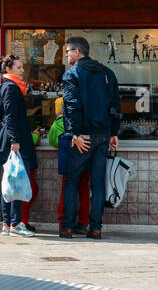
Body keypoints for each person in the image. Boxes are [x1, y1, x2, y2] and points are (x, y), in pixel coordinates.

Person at [60, 36, 120, 239]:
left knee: (72, 181)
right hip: (103, 136)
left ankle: (67, 227)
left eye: (68, 51)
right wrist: (113, 132)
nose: (66, 54)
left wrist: (74, 133)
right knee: (97, 183)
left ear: (77, 52)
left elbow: (71, 105)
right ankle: (95, 228)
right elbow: (115, 106)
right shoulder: (107, 73)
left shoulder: (72, 74)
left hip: (82, 137)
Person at [0, 54, 37, 237]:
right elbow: (10, 116)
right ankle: (16, 224)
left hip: (12, 138)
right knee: (16, 182)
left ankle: (7, 223)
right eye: (18, 67)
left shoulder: (7, 86)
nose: (22, 70)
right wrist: (14, 141)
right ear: (8, 69)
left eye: (22, 67)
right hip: (15, 141)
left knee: (9, 183)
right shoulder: (11, 88)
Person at [48, 97, 89, 233]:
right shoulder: (86, 117)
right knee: (84, 192)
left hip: (69, 162)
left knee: (67, 191)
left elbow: (53, 140)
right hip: (85, 158)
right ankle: (83, 223)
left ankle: (65, 224)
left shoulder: (60, 122)